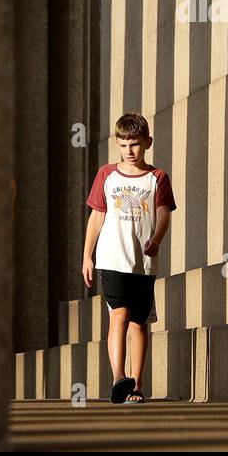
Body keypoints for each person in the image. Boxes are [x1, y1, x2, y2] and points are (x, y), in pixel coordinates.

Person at [81, 112, 177, 404]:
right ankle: (118, 379)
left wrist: (157, 240)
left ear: (147, 142)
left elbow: (163, 213)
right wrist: (87, 255)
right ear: (117, 144)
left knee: (139, 323)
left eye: (134, 144)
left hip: (143, 264)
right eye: (123, 145)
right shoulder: (106, 175)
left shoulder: (157, 177)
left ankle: (137, 384)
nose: (129, 151)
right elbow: (97, 215)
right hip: (112, 259)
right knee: (118, 316)